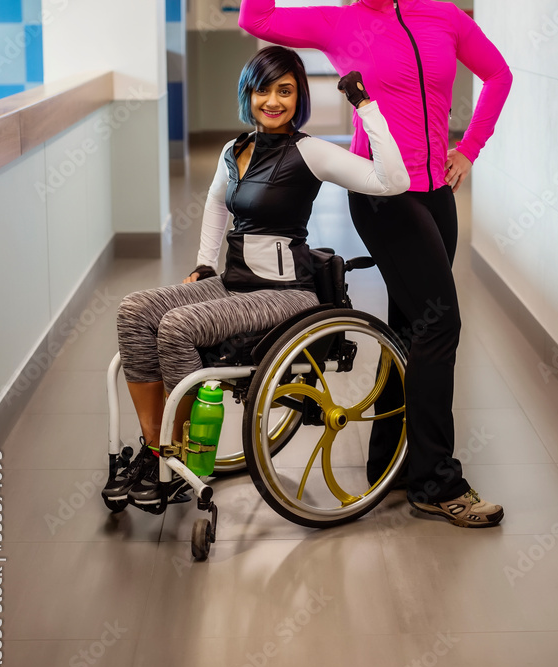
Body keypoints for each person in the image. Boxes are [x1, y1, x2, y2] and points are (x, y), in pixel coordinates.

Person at [238, 0, 513, 528]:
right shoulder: (339, 27)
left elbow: (498, 75)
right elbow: (256, 19)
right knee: (442, 324)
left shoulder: (443, 18)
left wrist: (469, 147)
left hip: (437, 194)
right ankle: (438, 483)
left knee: (414, 325)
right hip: (381, 193)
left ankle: (392, 462)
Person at [102, 45, 409, 509]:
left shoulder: (310, 152)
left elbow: (393, 181)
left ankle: (185, 458)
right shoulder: (235, 148)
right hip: (237, 280)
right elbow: (216, 204)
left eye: (285, 91)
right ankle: (155, 450)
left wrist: (368, 109)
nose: (273, 100)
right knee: (134, 311)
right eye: (262, 89)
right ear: (247, 94)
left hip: (289, 294)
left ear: (299, 97)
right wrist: (205, 263)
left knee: (177, 326)